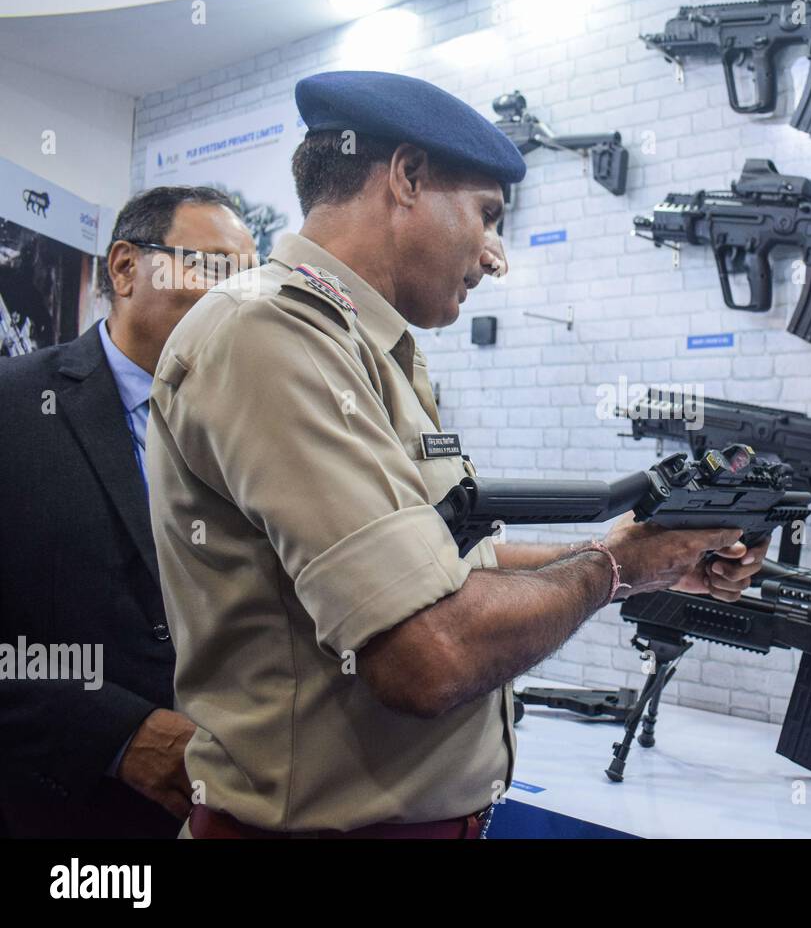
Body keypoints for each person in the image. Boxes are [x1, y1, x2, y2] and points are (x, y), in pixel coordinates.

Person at [146, 70, 768, 839]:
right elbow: (428, 655)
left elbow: (454, 566)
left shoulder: (369, 347)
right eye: (487, 216)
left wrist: (649, 554)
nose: (496, 255)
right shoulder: (270, 336)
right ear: (406, 178)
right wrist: (620, 568)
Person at [0, 186, 257, 837]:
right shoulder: (15, 408)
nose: (240, 301)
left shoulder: (259, 432)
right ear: (123, 268)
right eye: (215, 271)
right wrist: (117, 733)